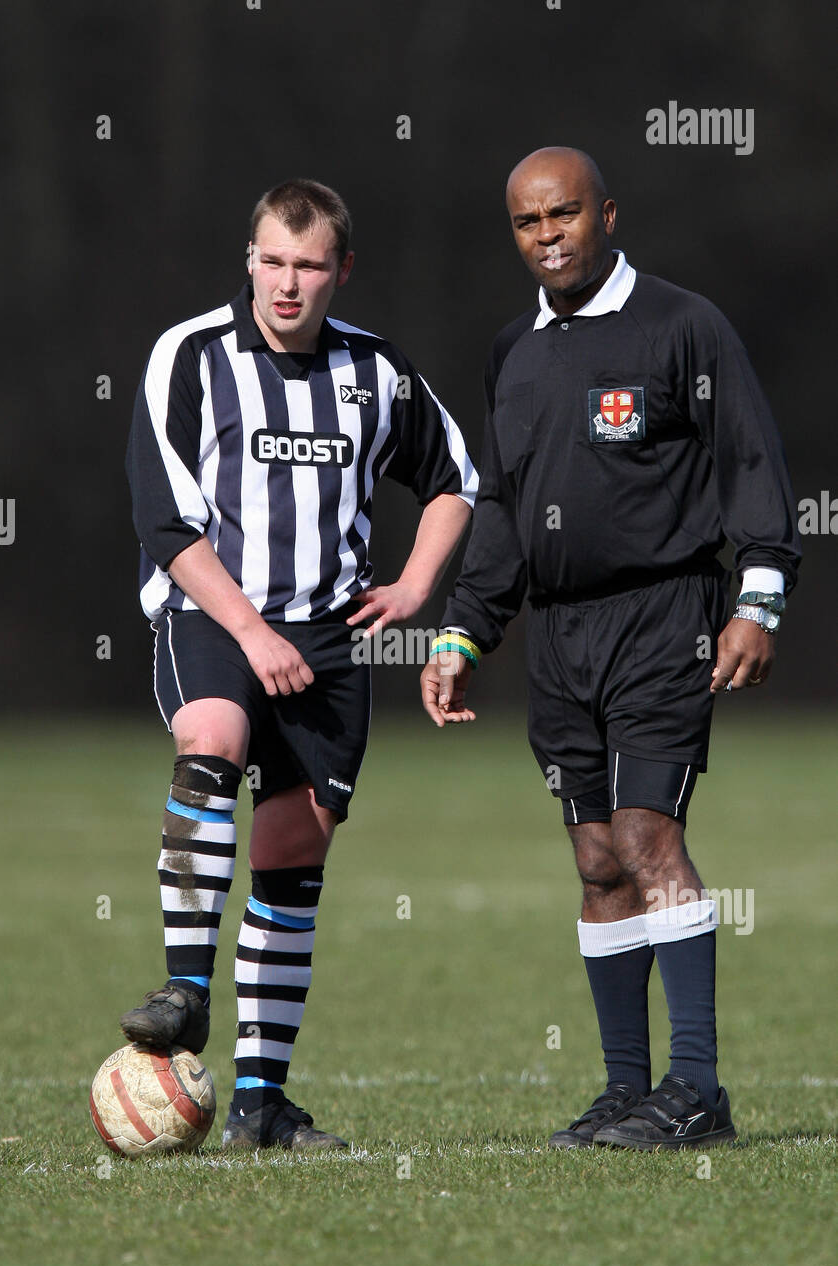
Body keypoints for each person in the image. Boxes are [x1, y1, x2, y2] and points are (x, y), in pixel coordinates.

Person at [420, 147, 800, 1150]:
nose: (546, 235)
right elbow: (498, 506)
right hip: (558, 634)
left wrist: (756, 600)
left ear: (607, 214)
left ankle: (697, 1088)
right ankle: (627, 1091)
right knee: (595, 863)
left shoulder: (683, 326)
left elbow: (750, 460)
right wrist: (465, 625)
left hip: (660, 615)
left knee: (645, 838)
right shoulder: (513, 350)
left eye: (564, 214)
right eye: (525, 221)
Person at [123, 178, 476, 1151]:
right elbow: (168, 524)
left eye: (309, 264)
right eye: (272, 261)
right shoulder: (189, 355)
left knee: (291, 853)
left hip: (324, 641)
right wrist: (250, 631)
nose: (288, 284)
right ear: (249, 260)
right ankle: (186, 994)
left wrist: (410, 586)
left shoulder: (375, 371)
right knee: (212, 740)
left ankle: (258, 1105)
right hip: (212, 613)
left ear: (340, 270)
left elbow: (453, 481)